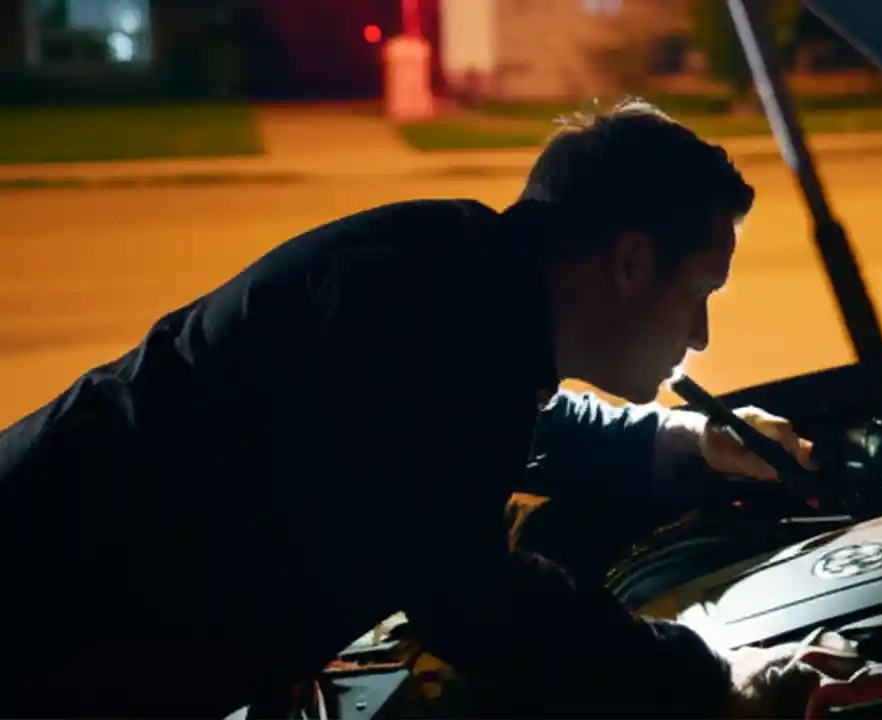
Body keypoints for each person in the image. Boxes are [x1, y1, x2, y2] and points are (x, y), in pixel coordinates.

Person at [0, 100, 818, 717]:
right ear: (632, 262)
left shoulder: (457, 271)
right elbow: (474, 601)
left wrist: (681, 439)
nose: (704, 337)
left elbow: (496, 418)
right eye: (701, 293)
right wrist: (718, 676)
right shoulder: (430, 315)